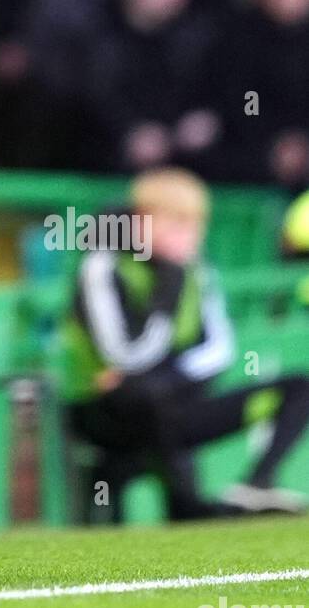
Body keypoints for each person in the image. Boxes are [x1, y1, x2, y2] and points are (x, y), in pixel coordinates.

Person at [63, 168, 309, 519]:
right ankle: (187, 507)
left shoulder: (197, 270)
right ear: (140, 224)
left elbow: (218, 351)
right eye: (177, 224)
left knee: (299, 388)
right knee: (147, 398)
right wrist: (167, 291)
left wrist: (163, 376)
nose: (191, 236)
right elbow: (124, 353)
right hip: (106, 412)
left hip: (171, 404)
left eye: (195, 225)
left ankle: (256, 485)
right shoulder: (103, 267)